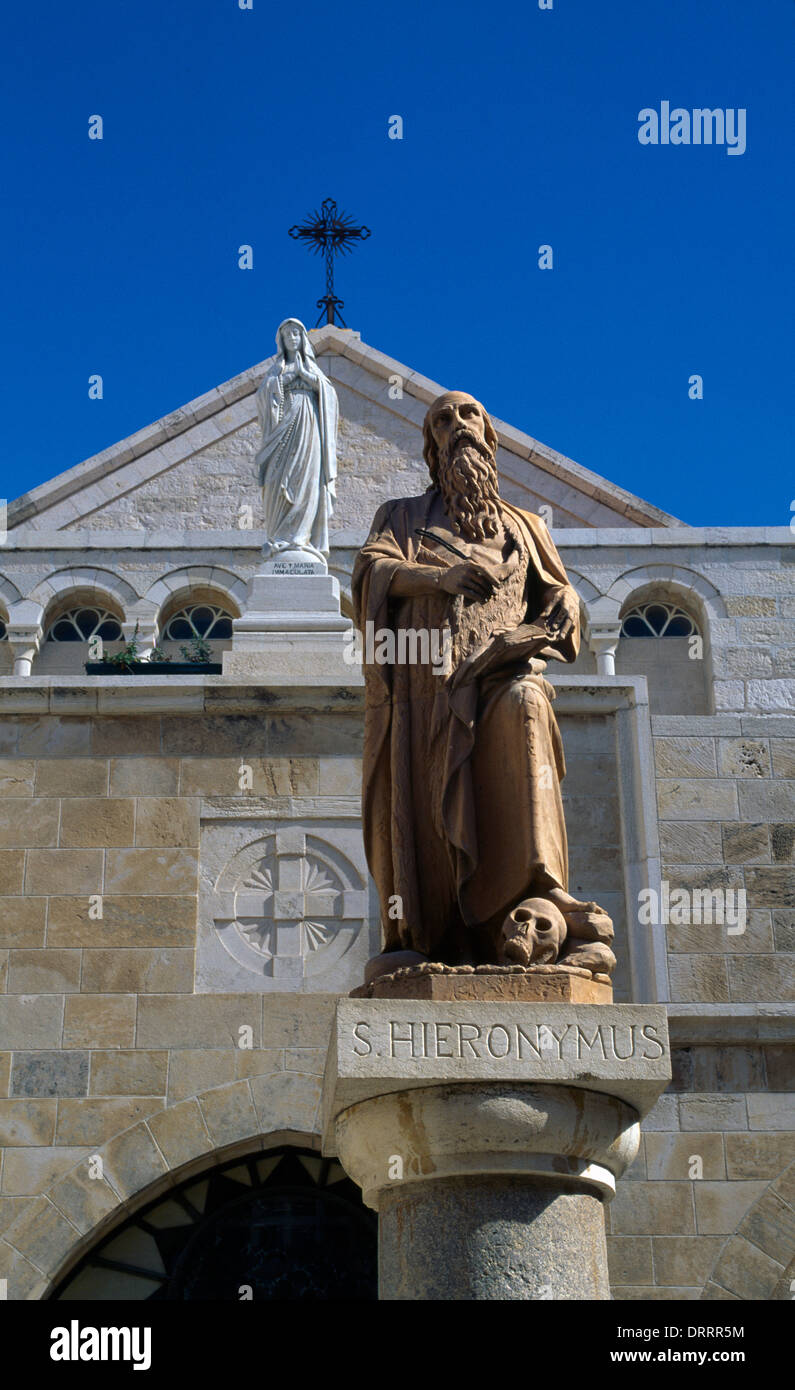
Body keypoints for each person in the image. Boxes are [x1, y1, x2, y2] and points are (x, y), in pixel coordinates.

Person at [352, 390, 615, 976]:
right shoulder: (403, 518)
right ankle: (428, 928)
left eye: (469, 416)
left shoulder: (524, 525)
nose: (458, 426)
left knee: (526, 703)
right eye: (443, 421)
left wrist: (560, 611)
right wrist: (440, 579)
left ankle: (538, 897)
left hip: (501, 677)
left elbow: (558, 593)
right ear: (432, 447)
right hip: (427, 692)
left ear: (489, 435)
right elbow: (372, 572)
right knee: (425, 809)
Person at [255, 318, 339, 559]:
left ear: (303, 338)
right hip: (283, 429)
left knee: (307, 478)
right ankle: (280, 536)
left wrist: (307, 377)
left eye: (296, 334)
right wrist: (283, 382)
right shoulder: (276, 371)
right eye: (287, 334)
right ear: (281, 340)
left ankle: (301, 538)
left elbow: (329, 397)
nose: (292, 338)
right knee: (279, 479)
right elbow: (263, 399)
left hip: (309, 425)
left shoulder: (313, 370)